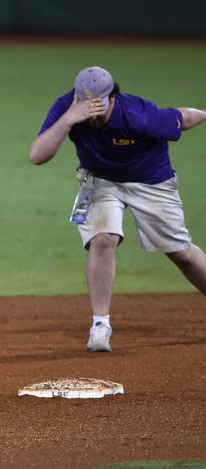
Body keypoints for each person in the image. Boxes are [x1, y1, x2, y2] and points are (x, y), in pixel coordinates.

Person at [29, 66, 206, 352]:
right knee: (103, 238)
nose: (92, 110)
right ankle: (101, 324)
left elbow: (183, 118)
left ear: (112, 96)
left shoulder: (138, 115)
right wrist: (68, 120)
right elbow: (37, 155)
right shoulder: (68, 108)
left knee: (181, 253)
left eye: (98, 103)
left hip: (151, 181)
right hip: (99, 180)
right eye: (85, 103)